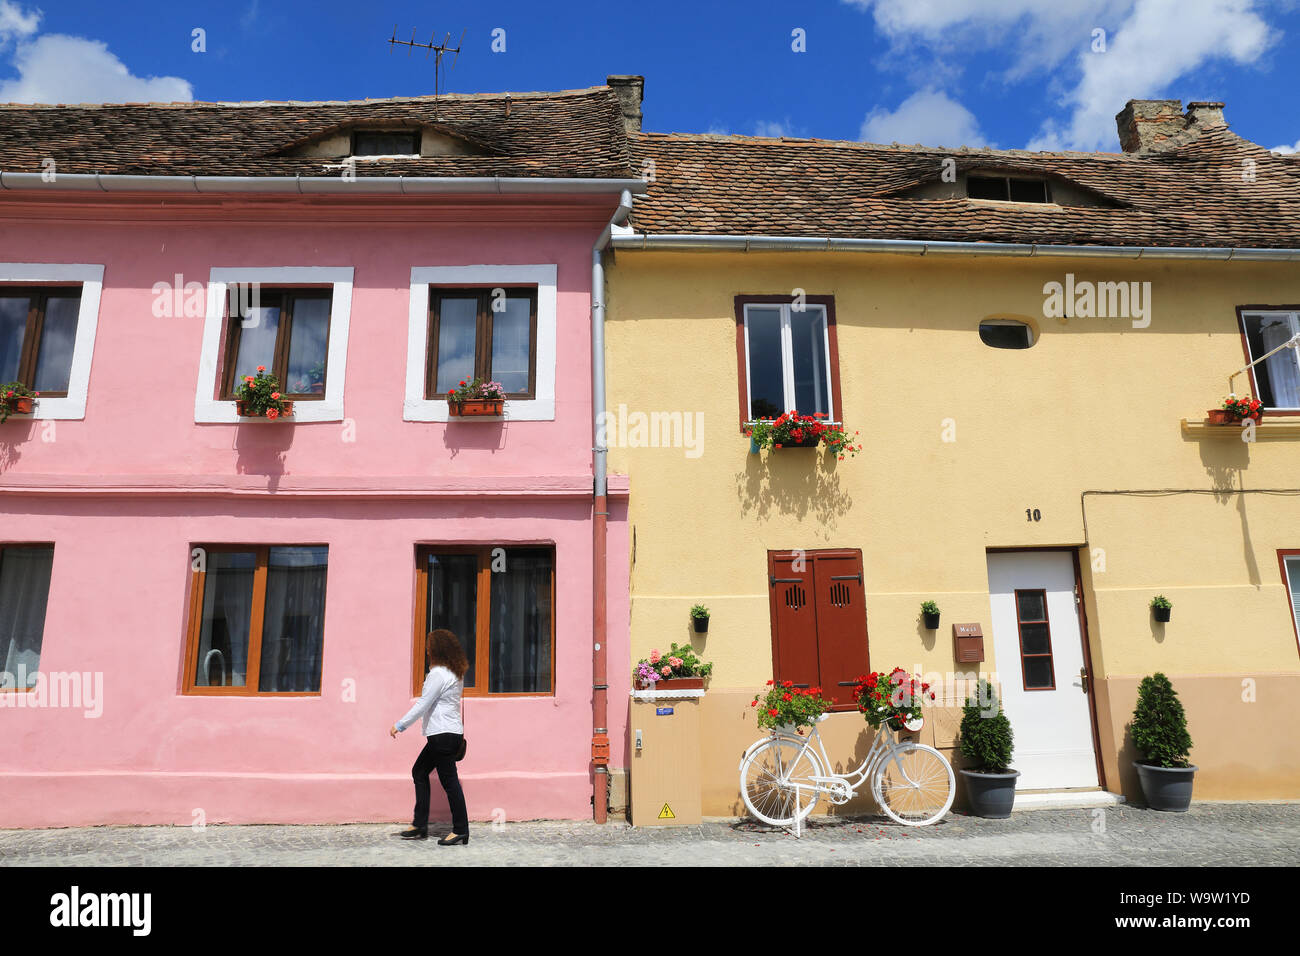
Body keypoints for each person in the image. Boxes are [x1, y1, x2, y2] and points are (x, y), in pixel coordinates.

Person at [389, 628, 469, 844]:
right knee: (420, 771)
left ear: (436, 650)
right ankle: (420, 825)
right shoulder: (455, 673)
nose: (427, 652)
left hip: (441, 735)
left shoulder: (438, 675)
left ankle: (460, 829)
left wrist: (400, 724)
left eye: (428, 649)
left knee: (449, 781)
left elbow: (423, 704)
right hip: (451, 733)